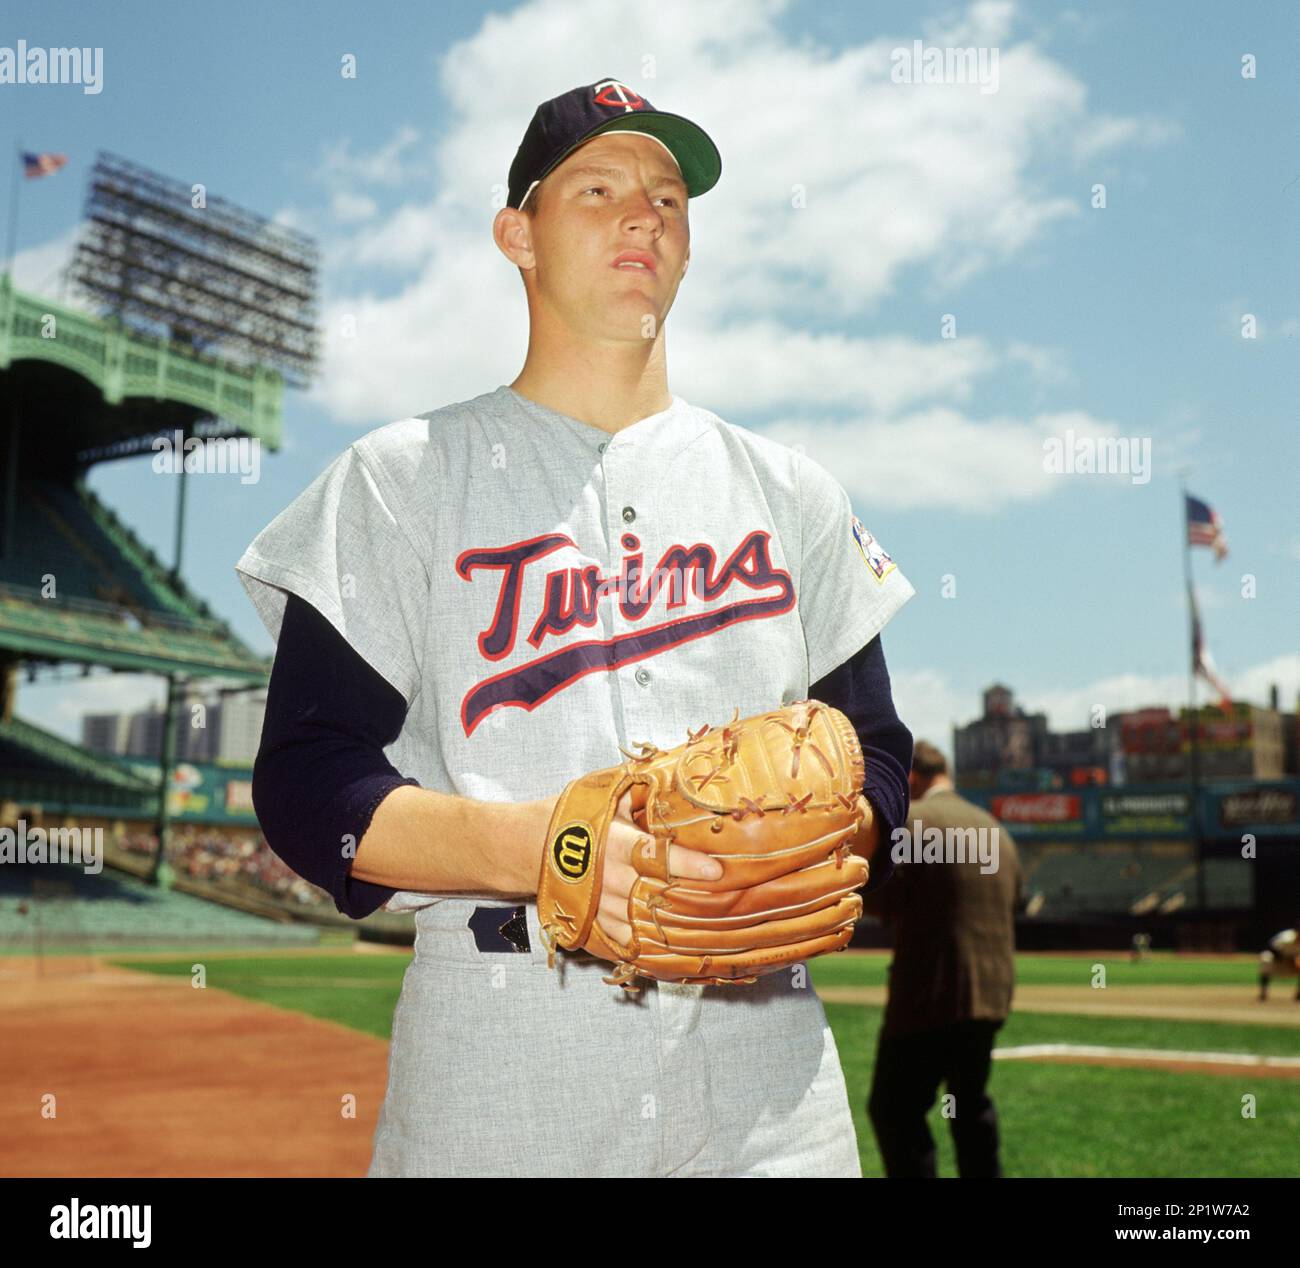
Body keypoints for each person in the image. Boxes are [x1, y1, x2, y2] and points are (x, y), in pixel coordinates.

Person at [236, 77, 915, 1178]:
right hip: (501, 1072)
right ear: (518, 234)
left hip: (768, 1091)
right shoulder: (399, 480)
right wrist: (551, 846)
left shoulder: (788, 489)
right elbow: (309, 786)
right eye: (596, 188)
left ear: (687, 250)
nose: (642, 211)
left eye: (667, 197)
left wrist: (829, 841)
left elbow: (878, 750)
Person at [863, 740, 1023, 1178]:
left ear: (911, 777)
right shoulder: (996, 830)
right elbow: (1014, 905)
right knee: (969, 1106)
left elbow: (880, 899)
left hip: (929, 994)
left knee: (895, 1110)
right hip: (990, 996)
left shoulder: (914, 823)